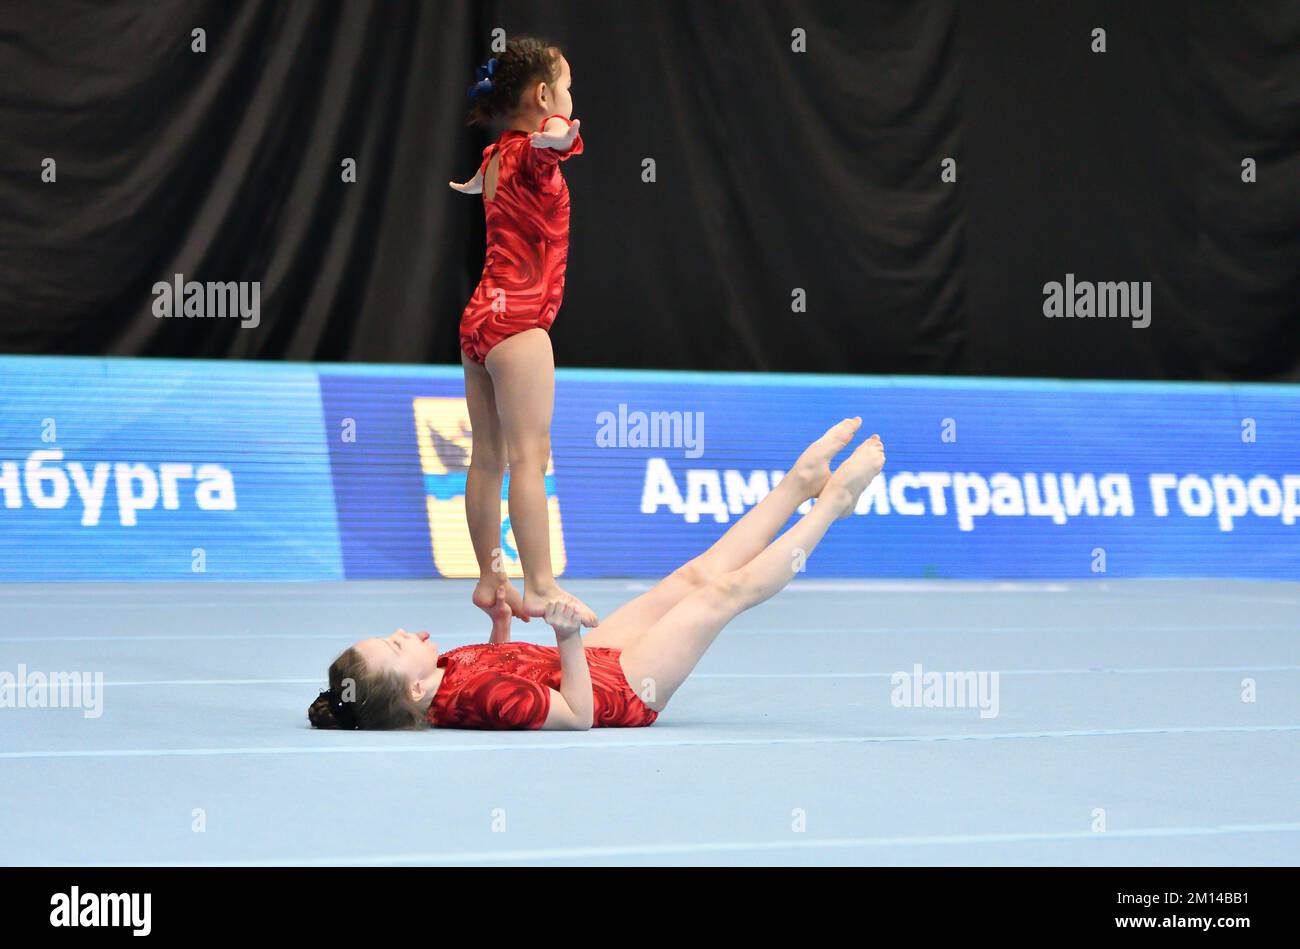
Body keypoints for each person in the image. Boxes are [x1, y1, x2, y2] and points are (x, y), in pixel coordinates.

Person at [307, 420, 885, 731]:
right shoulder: (484, 702)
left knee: (691, 578)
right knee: (720, 595)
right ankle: (832, 501)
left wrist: (502, 624)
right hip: (623, 692)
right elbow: (577, 718)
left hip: (596, 662)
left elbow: (505, 665)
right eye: (392, 644)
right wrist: (565, 635)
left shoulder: (445, 675)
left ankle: (799, 483)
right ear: (410, 690)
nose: (403, 632)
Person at [448, 37, 595, 627]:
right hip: (520, 324)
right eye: (566, 87)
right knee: (531, 457)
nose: (569, 97)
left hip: (479, 319)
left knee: (488, 459)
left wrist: (550, 134)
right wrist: (559, 132)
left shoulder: (494, 157)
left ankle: (489, 578)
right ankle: (538, 584)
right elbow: (553, 139)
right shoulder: (533, 154)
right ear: (542, 95)